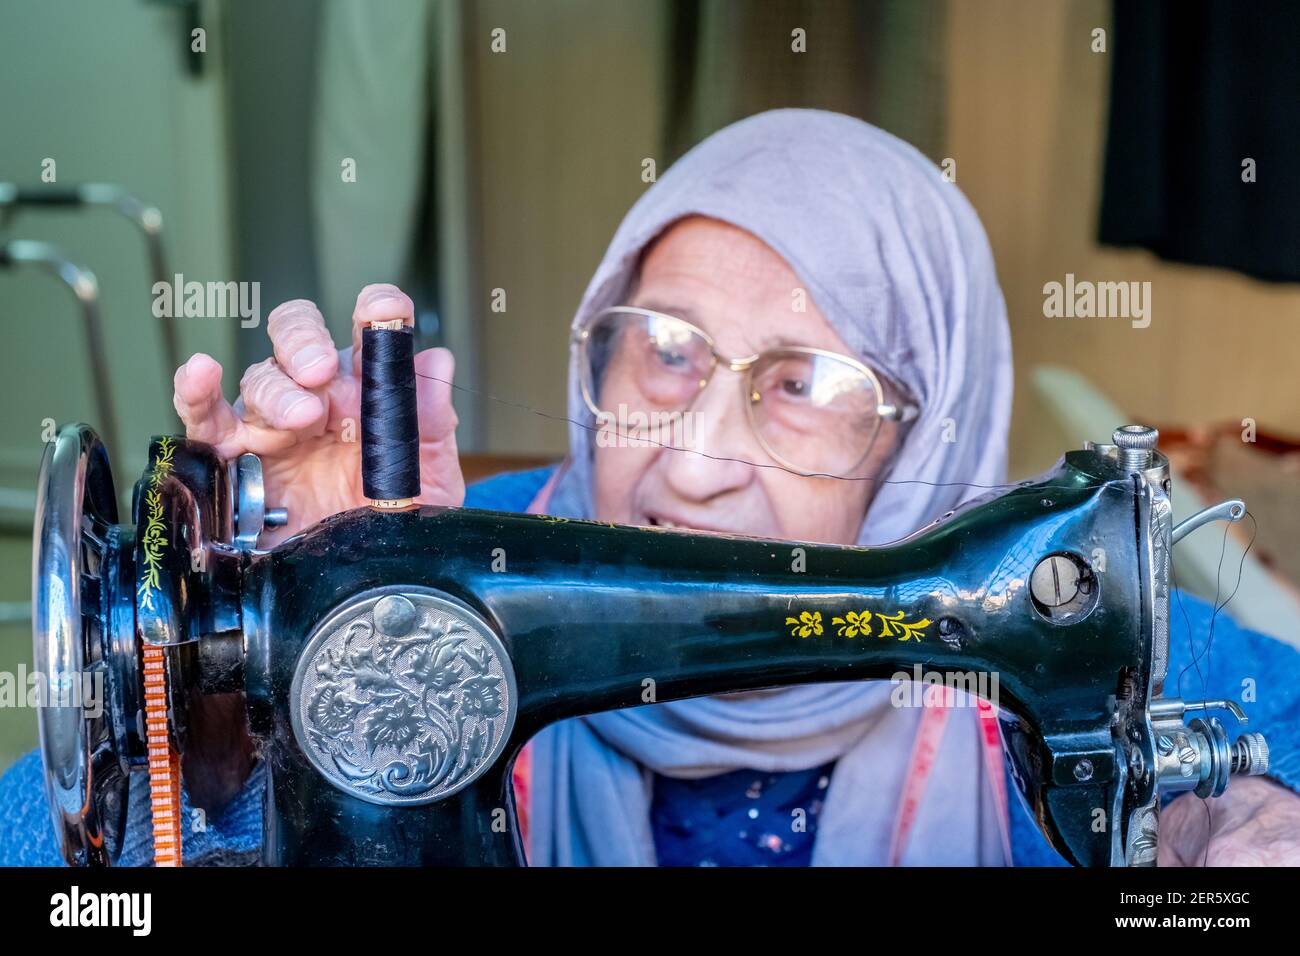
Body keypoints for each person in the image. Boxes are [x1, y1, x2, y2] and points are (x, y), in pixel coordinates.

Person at [3, 110, 1298, 866]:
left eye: (806, 382)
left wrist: (1242, 830)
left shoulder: (1060, 608)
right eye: (662, 353)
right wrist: (264, 681)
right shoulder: (425, 576)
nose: (689, 461)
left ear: (926, 435)